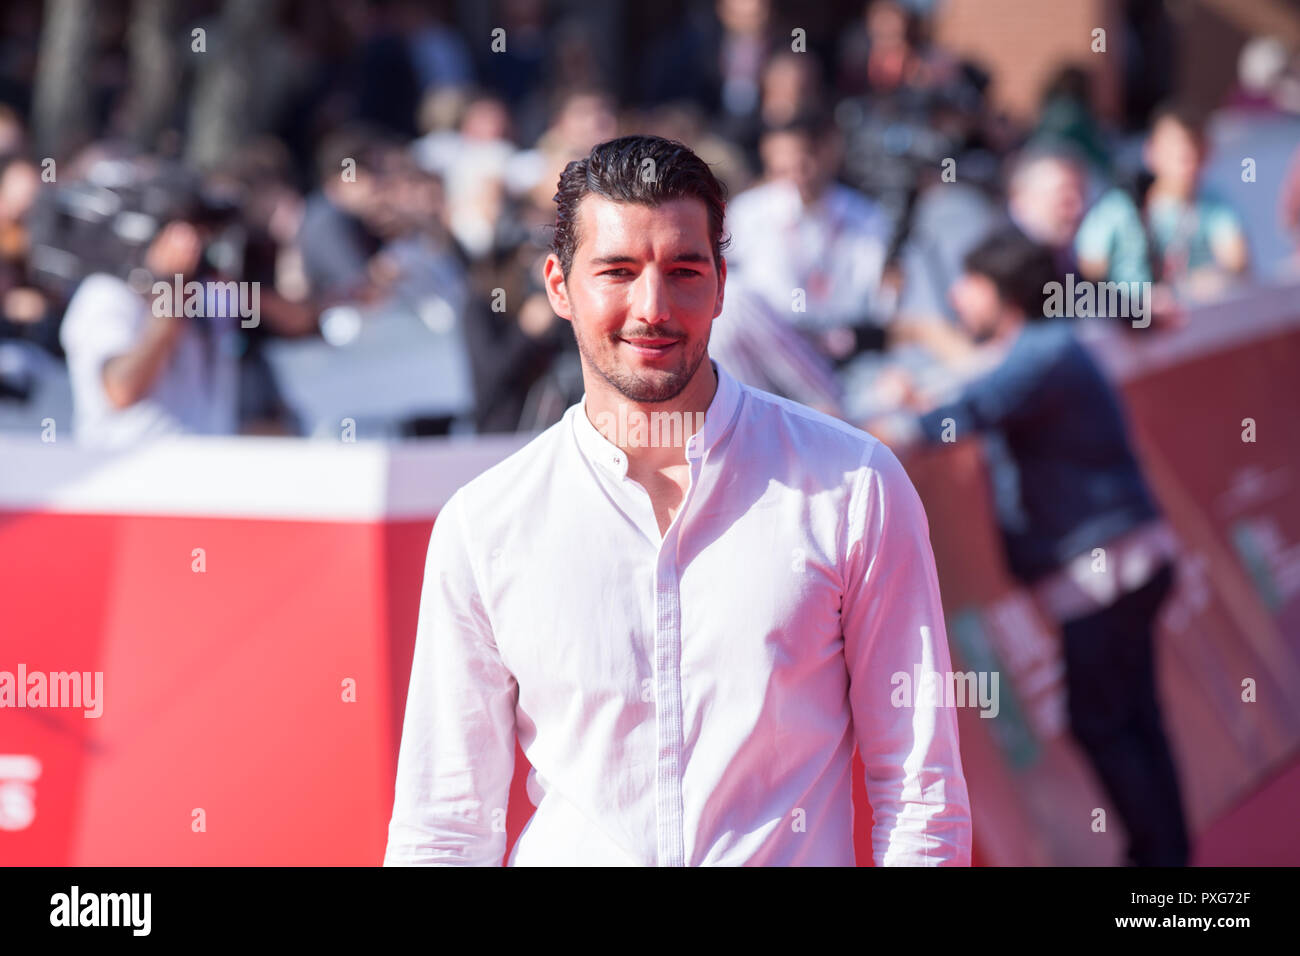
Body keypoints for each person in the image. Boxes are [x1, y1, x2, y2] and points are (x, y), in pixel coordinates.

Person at [384, 134, 972, 866]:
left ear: (722, 284)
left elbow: (921, 795)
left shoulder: (852, 486)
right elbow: (443, 825)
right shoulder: (487, 523)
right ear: (559, 286)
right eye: (618, 271)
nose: (652, 307)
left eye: (684, 270)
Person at [871, 230, 1191, 867]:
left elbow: (971, 410)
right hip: (1122, 560)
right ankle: (1167, 861)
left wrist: (891, 429)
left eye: (970, 284)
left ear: (1005, 293)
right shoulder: (1045, 348)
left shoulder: (1043, 353)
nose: (958, 297)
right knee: (1132, 717)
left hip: (1106, 569)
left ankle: (1159, 867)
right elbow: (982, 392)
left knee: (1106, 721)